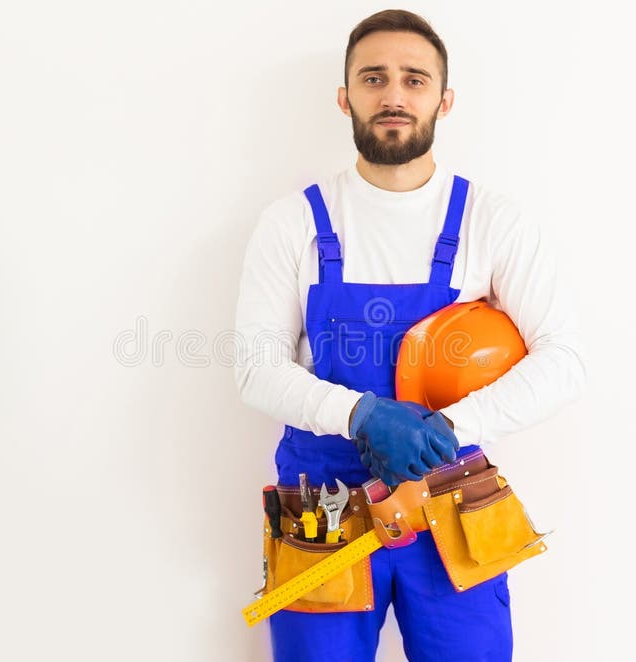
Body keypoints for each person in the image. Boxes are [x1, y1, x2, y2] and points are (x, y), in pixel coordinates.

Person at [234, 9, 587, 662]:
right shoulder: (292, 224)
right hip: (323, 507)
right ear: (345, 97)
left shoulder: (492, 221)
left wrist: (450, 428)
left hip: (452, 496)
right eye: (373, 78)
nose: (393, 95)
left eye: (414, 79)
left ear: (443, 100)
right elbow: (255, 366)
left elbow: (564, 359)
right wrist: (360, 413)